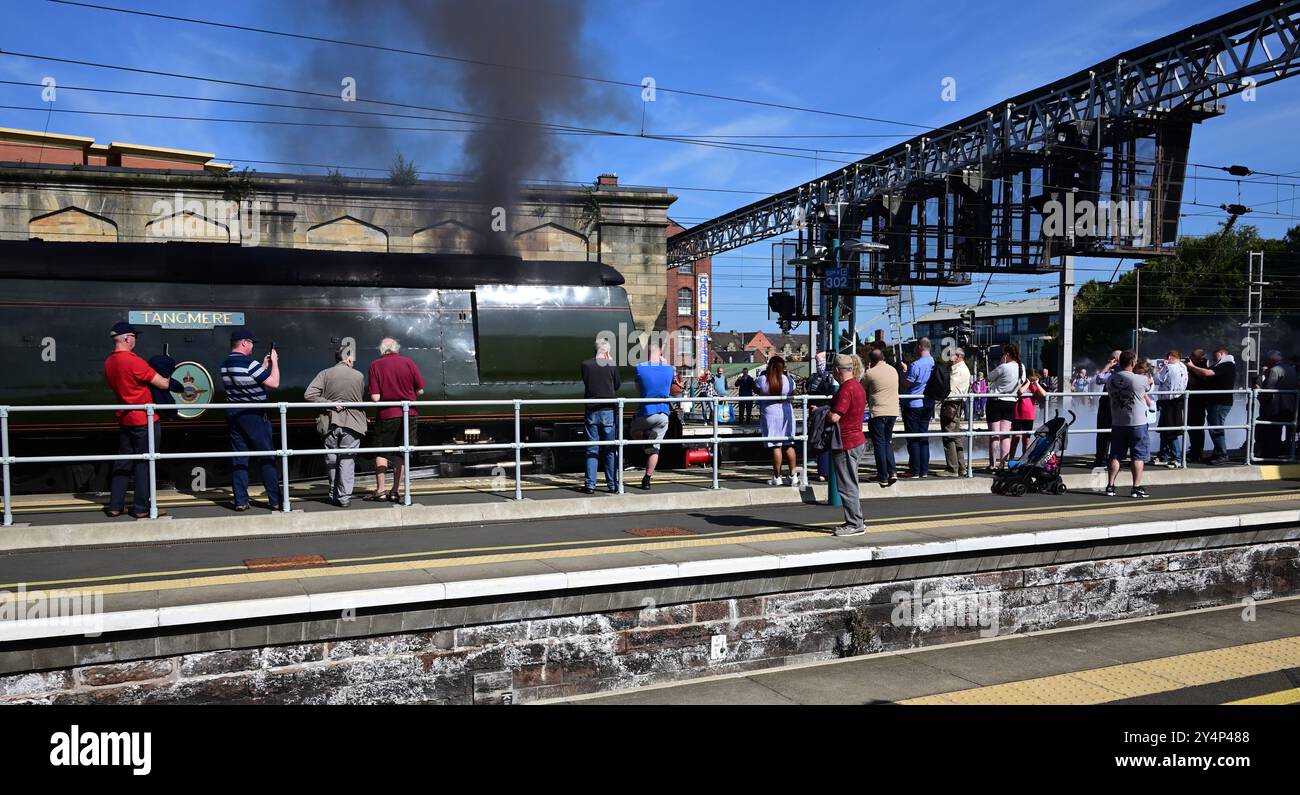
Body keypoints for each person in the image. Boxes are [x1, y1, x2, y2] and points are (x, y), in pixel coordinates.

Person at [104, 322, 182, 518]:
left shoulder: (109, 363)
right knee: (144, 463)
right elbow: (162, 383)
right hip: (143, 420)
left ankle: (115, 505)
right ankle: (141, 508)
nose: (135, 341)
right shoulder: (134, 362)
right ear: (127, 338)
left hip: (124, 417)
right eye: (134, 338)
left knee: (123, 462)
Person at [220, 327, 283, 512]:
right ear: (244, 343)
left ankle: (240, 500)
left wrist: (262, 367)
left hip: (234, 414)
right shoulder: (248, 363)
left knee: (239, 458)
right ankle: (275, 500)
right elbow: (274, 383)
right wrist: (275, 363)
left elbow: (244, 383)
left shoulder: (225, 364)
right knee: (267, 457)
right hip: (254, 415)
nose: (252, 347)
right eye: (251, 343)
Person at [305, 346, 368, 507]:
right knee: (347, 460)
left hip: (329, 422)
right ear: (348, 358)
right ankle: (344, 497)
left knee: (331, 459)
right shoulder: (358, 376)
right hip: (352, 423)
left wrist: (329, 403)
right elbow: (360, 397)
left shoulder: (324, 374)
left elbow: (309, 395)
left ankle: (333, 494)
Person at [366, 337, 426, 501]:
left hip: (387, 414)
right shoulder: (409, 362)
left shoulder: (375, 365)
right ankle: (395, 491)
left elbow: (376, 398)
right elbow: (420, 391)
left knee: (381, 451)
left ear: (382, 349)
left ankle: (380, 490)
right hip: (409, 414)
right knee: (402, 452)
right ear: (396, 348)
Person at [827, 354, 868, 536]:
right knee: (852, 482)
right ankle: (856, 519)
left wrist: (823, 413)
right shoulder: (858, 386)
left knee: (846, 485)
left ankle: (854, 523)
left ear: (837, 370)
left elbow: (835, 416)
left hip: (845, 443)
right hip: (857, 439)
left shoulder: (846, 389)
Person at [1105, 350, 1151, 498]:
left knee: (1115, 455)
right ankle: (1136, 487)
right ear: (1133, 363)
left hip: (1118, 422)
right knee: (1137, 456)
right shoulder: (1140, 379)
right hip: (1137, 422)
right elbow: (1148, 387)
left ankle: (1110, 486)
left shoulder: (1111, 379)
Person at [580, 338, 621, 494]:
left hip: (591, 410)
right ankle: (612, 485)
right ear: (607, 352)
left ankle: (590, 484)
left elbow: (586, 382)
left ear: (595, 350)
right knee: (610, 449)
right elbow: (617, 385)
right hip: (608, 411)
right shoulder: (611, 365)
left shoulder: (586, 365)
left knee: (592, 448)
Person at [1186, 344, 1236, 466]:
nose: (1213, 358)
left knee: (1216, 429)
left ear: (1223, 353)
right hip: (1215, 401)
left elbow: (1207, 373)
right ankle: (1218, 453)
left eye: (1216, 355)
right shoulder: (1220, 365)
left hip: (1220, 402)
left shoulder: (1227, 364)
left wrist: (1191, 367)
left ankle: (1222, 455)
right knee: (1214, 428)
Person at [633, 345, 674, 490]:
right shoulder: (670, 369)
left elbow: (639, 389)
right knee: (655, 449)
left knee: (632, 432)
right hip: (663, 413)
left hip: (646, 411)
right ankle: (647, 479)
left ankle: (645, 436)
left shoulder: (639, 368)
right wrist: (665, 362)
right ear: (661, 354)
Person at [755, 355, 798, 485]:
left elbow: (756, 389)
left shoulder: (763, 379)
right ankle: (793, 475)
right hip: (786, 413)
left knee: (776, 446)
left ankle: (777, 477)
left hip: (770, 413)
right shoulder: (788, 380)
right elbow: (794, 392)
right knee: (789, 444)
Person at [863, 348, 900, 487]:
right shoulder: (893, 370)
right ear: (883, 357)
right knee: (887, 442)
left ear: (871, 360)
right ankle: (893, 472)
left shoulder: (870, 373)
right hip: (893, 411)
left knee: (879, 444)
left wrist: (867, 370)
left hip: (878, 412)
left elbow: (862, 388)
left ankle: (883, 476)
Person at [986, 344, 1025, 470]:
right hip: (1011, 402)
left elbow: (989, 378)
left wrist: (1001, 363)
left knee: (994, 435)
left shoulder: (1003, 367)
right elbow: (1023, 382)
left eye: (1003, 354)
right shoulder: (1021, 367)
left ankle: (992, 464)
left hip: (996, 402)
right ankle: (1003, 464)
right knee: (1005, 435)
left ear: (1007, 354)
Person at [901, 338, 936, 478]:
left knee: (913, 438)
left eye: (916, 346)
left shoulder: (915, 365)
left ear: (920, 347)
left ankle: (914, 470)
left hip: (913, 404)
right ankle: (924, 470)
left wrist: (904, 371)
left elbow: (906, 384)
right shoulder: (934, 363)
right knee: (923, 436)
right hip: (928, 404)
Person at [1254, 350, 1297, 459]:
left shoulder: (1274, 370)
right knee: (1287, 429)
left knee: (1273, 430)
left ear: (1271, 360)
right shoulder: (1291, 369)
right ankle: (1287, 451)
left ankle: (1272, 453)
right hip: (1290, 405)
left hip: (1276, 405)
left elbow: (1268, 389)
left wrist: (1260, 388)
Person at [804, 352, 838, 482]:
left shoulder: (814, 378)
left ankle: (823, 471)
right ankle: (827, 471)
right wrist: (831, 353)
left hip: (818, 412)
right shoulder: (831, 378)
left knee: (820, 442)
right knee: (827, 441)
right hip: (826, 411)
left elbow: (810, 390)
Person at [1152, 350, 1188, 467]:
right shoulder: (1183, 367)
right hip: (1178, 400)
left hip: (1168, 401)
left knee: (1170, 431)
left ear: (1169, 357)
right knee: (1166, 430)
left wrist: (1163, 367)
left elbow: (1157, 379)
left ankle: (1176, 457)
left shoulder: (1169, 368)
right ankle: (1164, 455)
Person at [941, 348, 971, 476]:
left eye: (951, 356)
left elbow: (950, 388)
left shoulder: (958, 370)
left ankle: (952, 468)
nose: (949, 358)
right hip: (956, 403)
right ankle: (961, 467)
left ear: (958, 356)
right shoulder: (962, 368)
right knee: (956, 436)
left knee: (949, 436)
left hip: (951, 403)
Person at [1091, 350, 1123, 468]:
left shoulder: (1115, 372)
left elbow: (1098, 379)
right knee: (1111, 433)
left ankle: (1101, 459)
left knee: (1104, 433)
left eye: (1111, 358)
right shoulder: (1125, 371)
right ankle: (1110, 458)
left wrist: (1108, 366)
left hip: (1108, 405)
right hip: (1116, 405)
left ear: (1115, 359)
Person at [1011, 369, 1044, 459]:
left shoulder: (1035, 386)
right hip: (1018, 415)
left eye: (1034, 380)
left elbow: (1044, 394)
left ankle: (1024, 458)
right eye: (1031, 379)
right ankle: (1011, 457)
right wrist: (1027, 383)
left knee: (1026, 439)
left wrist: (1037, 383)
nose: (1032, 382)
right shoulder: (1022, 384)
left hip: (1029, 416)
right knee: (1015, 438)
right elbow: (1020, 392)